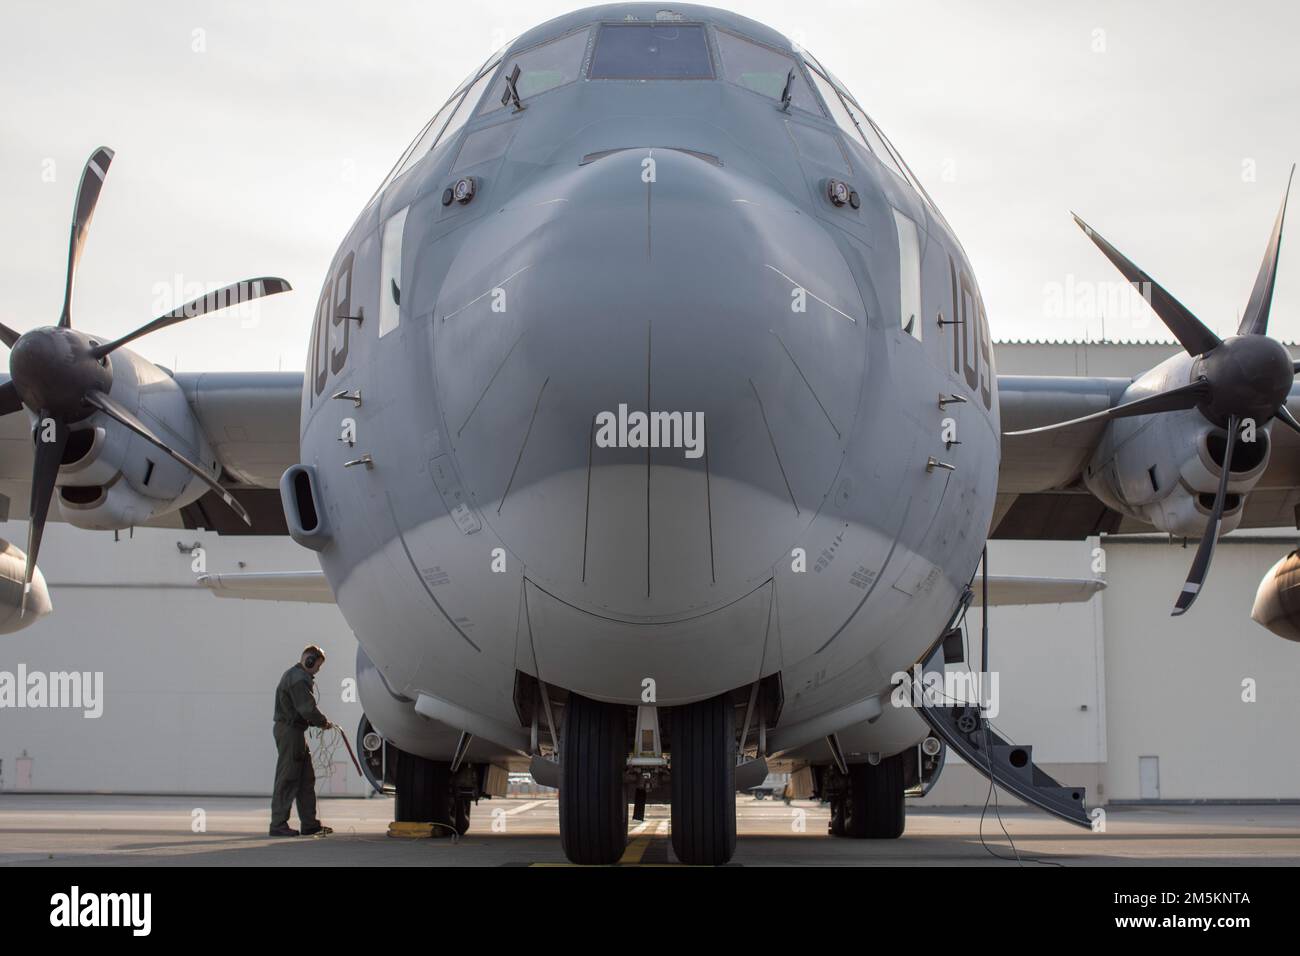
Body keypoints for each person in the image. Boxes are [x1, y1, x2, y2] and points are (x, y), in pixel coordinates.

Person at [269, 645, 334, 837]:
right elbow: (307, 709)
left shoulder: (296, 675)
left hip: (295, 731)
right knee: (288, 778)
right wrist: (323, 722)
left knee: (306, 779)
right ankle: (278, 824)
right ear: (310, 660)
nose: (317, 670)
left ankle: (310, 824)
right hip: (290, 732)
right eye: (318, 666)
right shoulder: (298, 679)